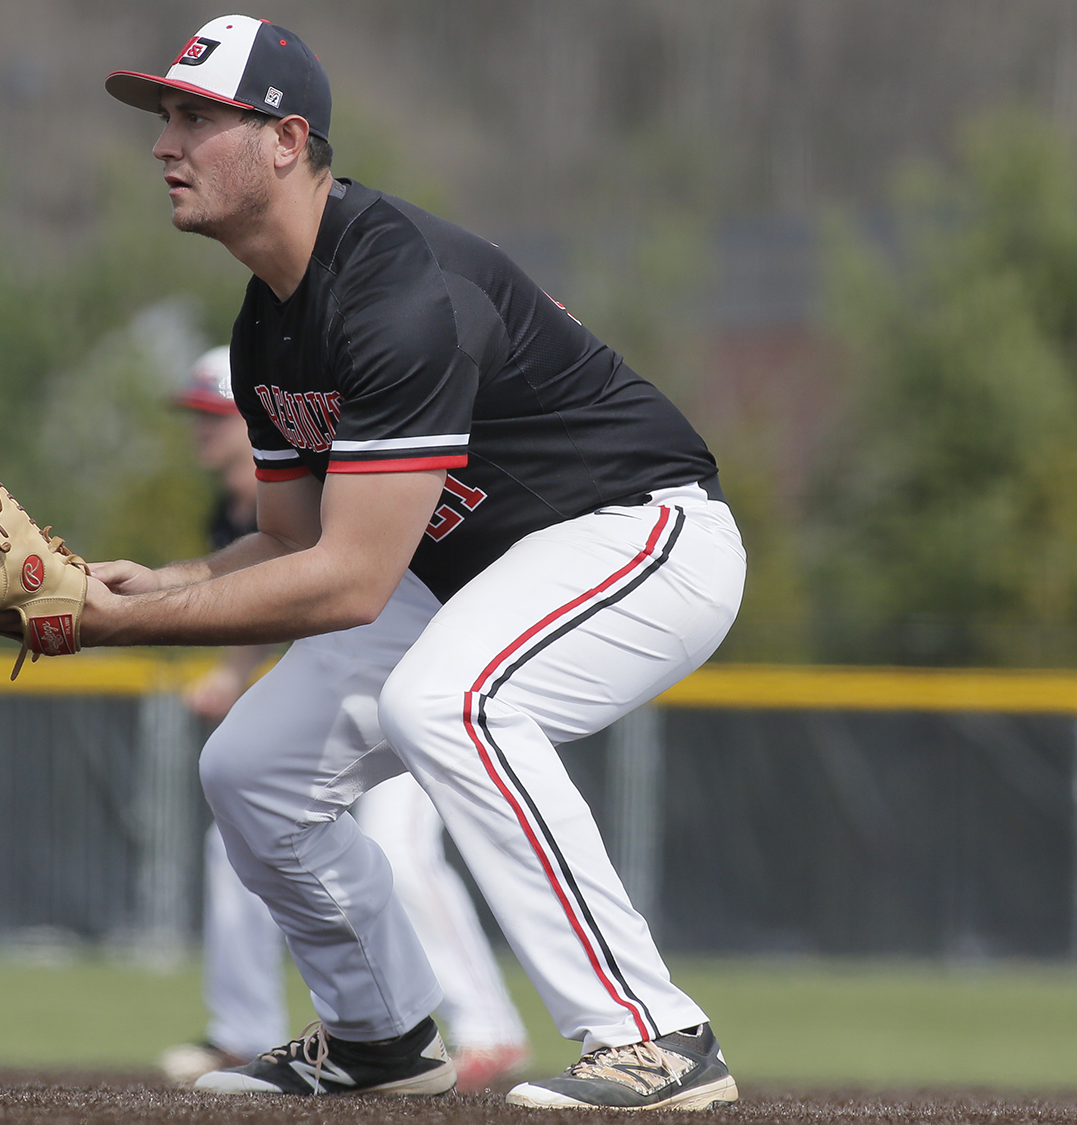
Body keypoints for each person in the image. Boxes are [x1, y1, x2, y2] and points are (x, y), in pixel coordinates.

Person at [69, 14, 744, 1110]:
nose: (163, 145)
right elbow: (294, 545)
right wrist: (159, 581)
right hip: (470, 572)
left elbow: (347, 584)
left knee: (450, 702)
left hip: (639, 538)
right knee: (251, 772)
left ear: (286, 140)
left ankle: (654, 1035)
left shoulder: (397, 290)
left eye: (195, 117)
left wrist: (110, 631)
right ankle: (377, 1034)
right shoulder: (268, 329)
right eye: (165, 119)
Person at [157, 346, 531, 1092]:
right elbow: (267, 597)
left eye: (213, 414)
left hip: (419, 672)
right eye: (197, 415)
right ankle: (243, 1028)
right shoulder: (232, 511)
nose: (202, 431)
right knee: (239, 834)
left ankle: (491, 1030)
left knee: (401, 846)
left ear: (252, 416)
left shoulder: (325, 481)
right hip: (344, 687)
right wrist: (235, 675)